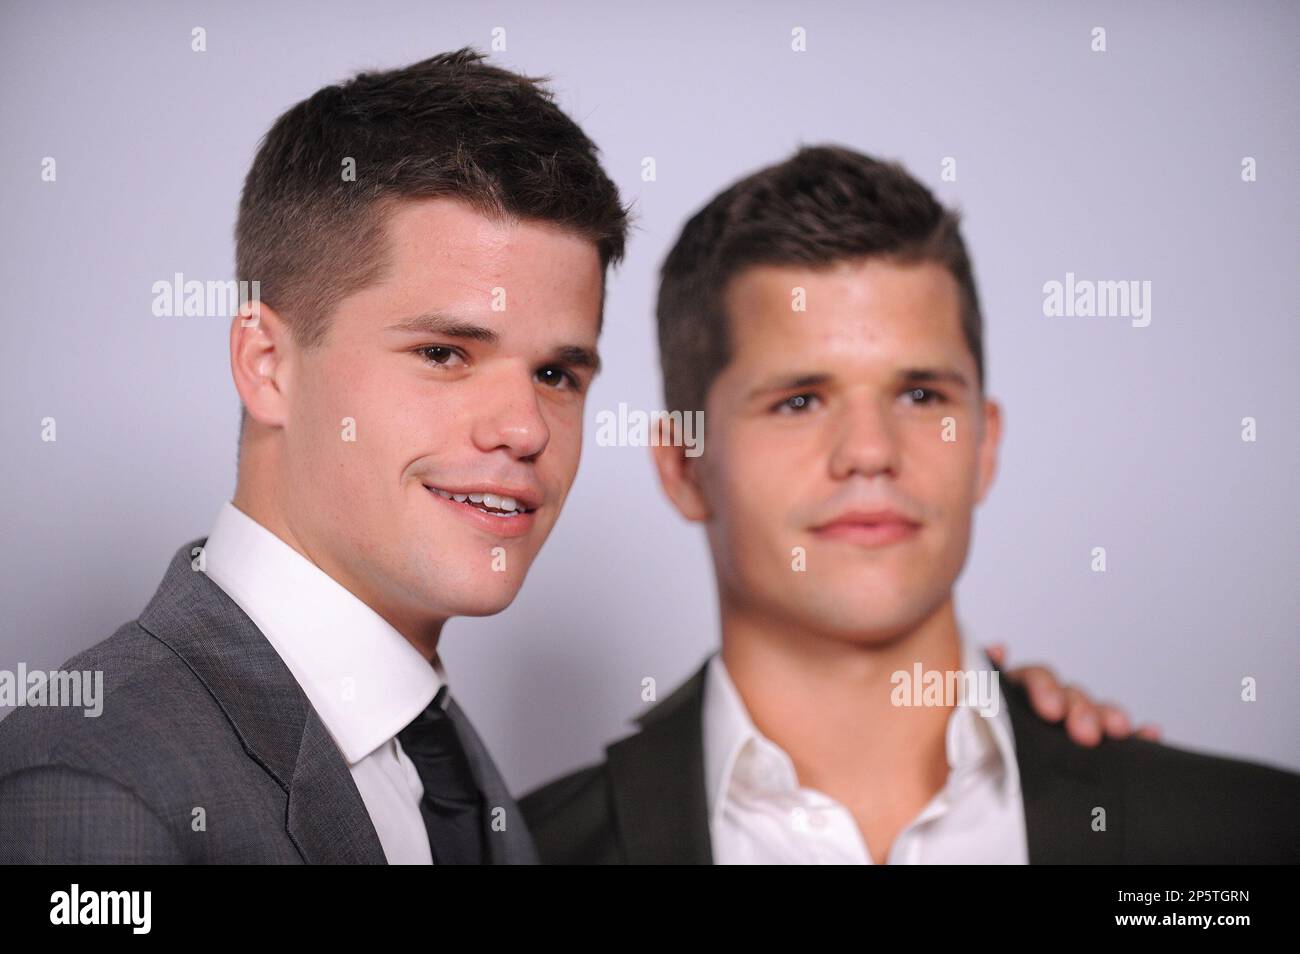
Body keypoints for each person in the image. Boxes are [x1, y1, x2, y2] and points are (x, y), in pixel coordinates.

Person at [519, 145, 1300, 864]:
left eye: (921, 394)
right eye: (799, 401)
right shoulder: (527, 852)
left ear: (984, 446)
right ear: (685, 466)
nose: (871, 450)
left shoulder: (1246, 833)